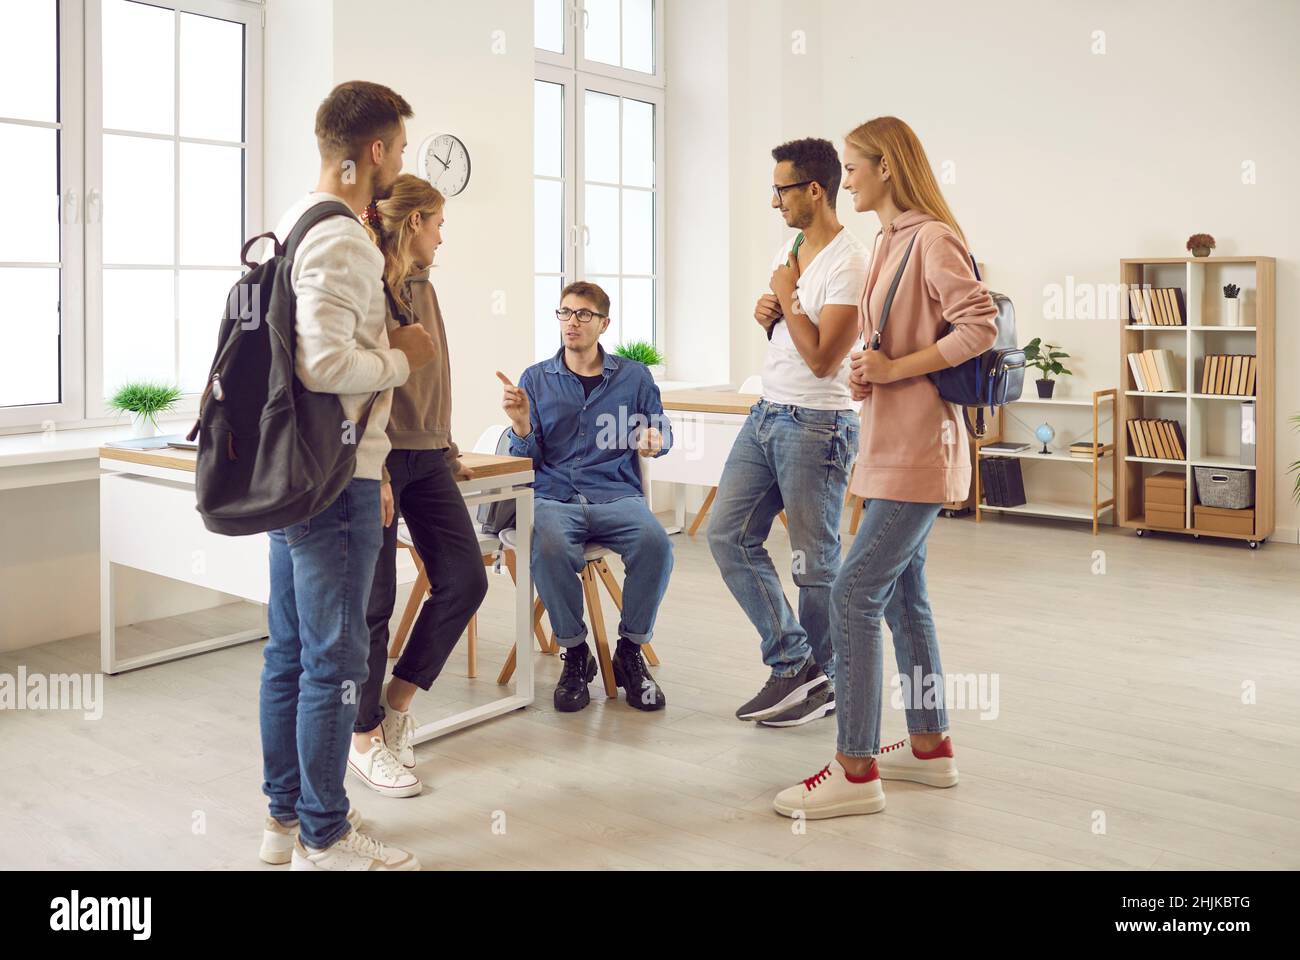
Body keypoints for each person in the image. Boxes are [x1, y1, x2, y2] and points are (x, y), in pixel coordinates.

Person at [774, 116, 998, 819]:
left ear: (886, 168)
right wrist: (873, 370)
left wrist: (897, 366)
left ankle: (855, 767)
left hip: (920, 452)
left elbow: (979, 324)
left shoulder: (931, 237)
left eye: (855, 165)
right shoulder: (890, 241)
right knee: (904, 600)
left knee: (851, 595)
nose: (848, 177)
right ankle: (930, 748)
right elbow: (894, 339)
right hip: (890, 444)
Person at [258, 81, 435, 870]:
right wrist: (406, 356)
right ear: (372, 153)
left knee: (292, 653)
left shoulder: (298, 223)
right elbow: (326, 362)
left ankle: (285, 827)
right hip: (333, 484)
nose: (400, 161)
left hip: (299, 472)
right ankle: (325, 839)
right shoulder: (341, 239)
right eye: (397, 148)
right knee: (331, 662)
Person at [708, 138, 868, 727]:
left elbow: (826, 359)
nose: (775, 200)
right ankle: (796, 663)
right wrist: (769, 311)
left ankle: (817, 684)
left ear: (814, 191)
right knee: (727, 535)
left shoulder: (851, 264)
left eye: (782, 189)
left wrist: (784, 297)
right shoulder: (795, 246)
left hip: (817, 424)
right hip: (768, 412)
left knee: (814, 564)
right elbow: (792, 336)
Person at [347, 174, 488, 799]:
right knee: (372, 608)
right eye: (437, 223)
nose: (442, 236)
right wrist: (371, 468)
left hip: (427, 455)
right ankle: (363, 741)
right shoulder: (367, 281)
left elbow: (432, 372)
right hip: (377, 460)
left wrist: (445, 439)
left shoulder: (424, 285)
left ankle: (397, 702)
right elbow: (357, 381)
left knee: (465, 577)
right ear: (413, 224)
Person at [497, 282, 674, 713]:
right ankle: (575, 654)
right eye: (565, 313)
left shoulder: (634, 377)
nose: (572, 322)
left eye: (583, 315)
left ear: (603, 323)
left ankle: (630, 651)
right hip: (555, 495)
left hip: (615, 495)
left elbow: (661, 428)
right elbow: (528, 459)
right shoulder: (535, 379)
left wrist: (655, 438)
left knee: (657, 545)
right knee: (549, 543)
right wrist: (521, 425)